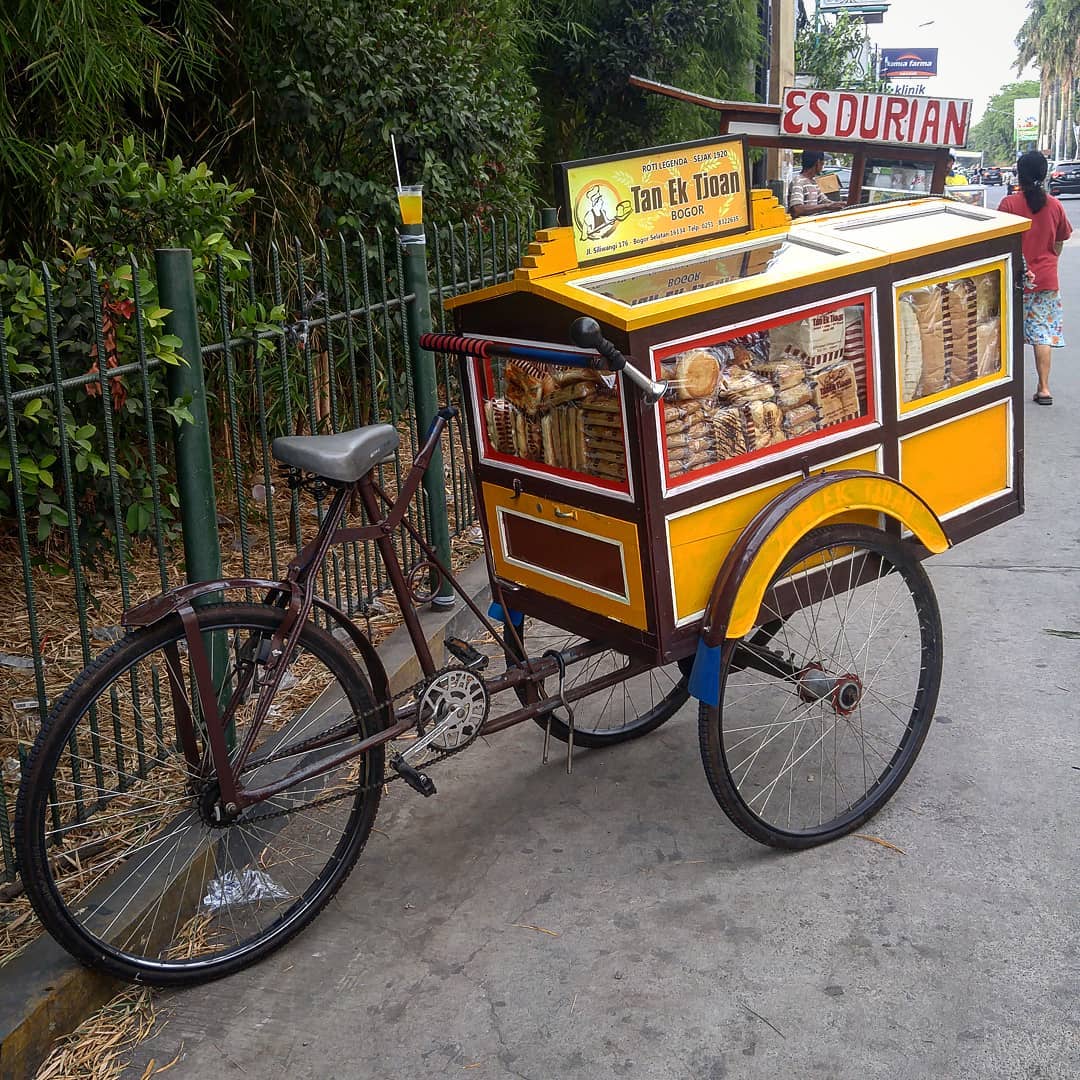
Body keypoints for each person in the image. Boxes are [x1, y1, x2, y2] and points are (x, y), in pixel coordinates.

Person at [997, 150, 1072, 405]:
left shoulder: (1009, 204)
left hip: (1015, 280)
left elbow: (999, 243)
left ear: (1019, 174)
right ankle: (1044, 388)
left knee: (1009, 333)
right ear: (1044, 174)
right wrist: (1050, 260)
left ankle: (1009, 387)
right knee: (1042, 334)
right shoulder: (1055, 205)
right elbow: (1061, 240)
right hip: (1047, 280)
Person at [788, 151, 844, 217]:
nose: (823, 167)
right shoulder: (798, 181)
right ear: (817, 163)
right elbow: (797, 209)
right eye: (822, 163)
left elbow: (824, 201)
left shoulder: (813, 182)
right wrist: (827, 206)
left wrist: (840, 204)